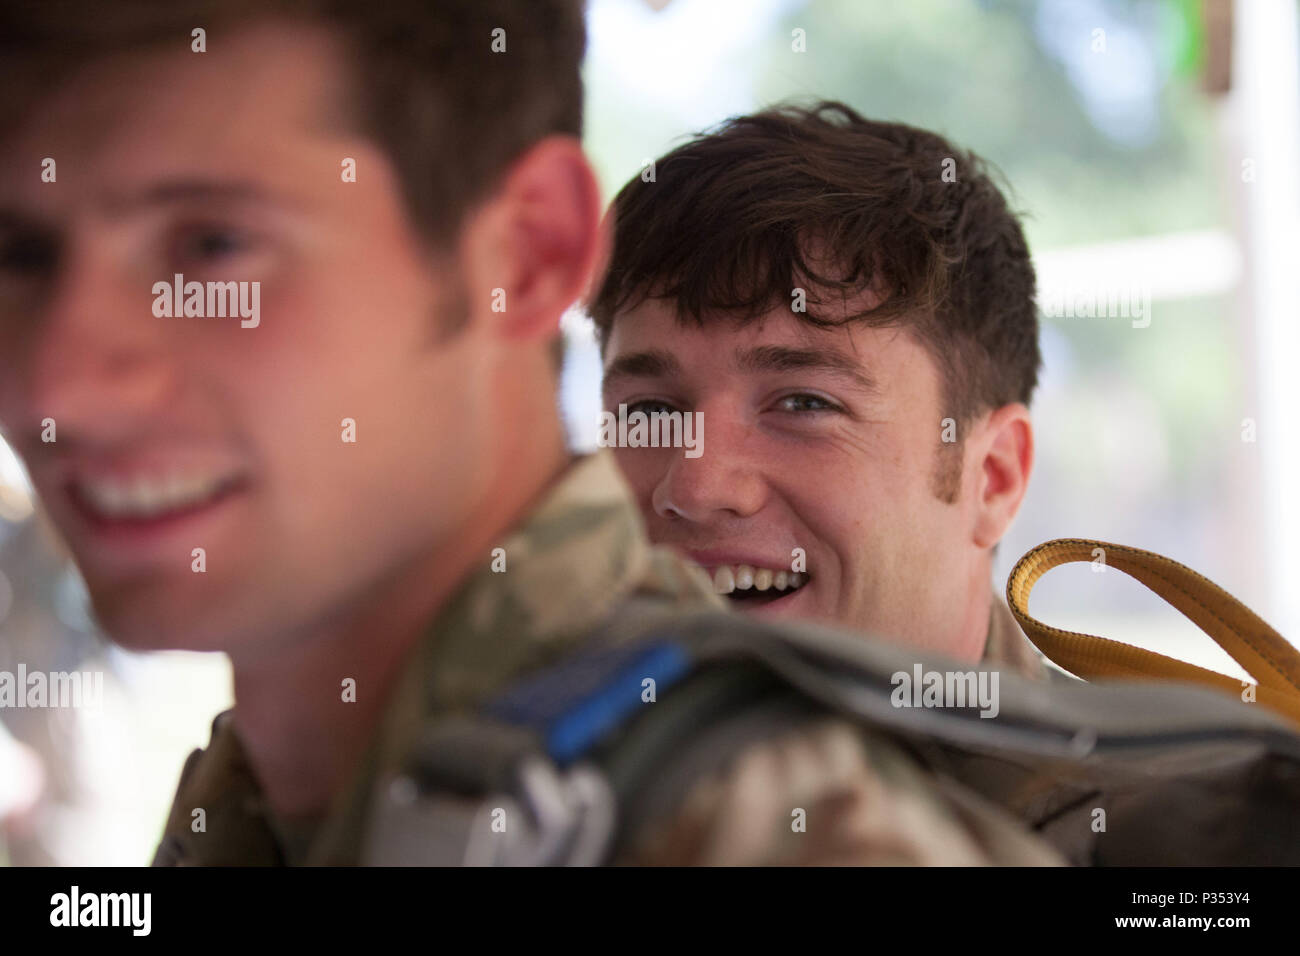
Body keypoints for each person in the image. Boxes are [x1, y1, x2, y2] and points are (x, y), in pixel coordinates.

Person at [0, 1, 1060, 865]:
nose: (61, 383)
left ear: (525, 254)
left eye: (213, 246)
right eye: (18, 254)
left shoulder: (780, 833)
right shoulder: (273, 789)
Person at [591, 102, 1058, 681]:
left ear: (992, 478)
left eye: (804, 403)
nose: (695, 486)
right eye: (650, 411)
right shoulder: (497, 757)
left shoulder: (1155, 770)